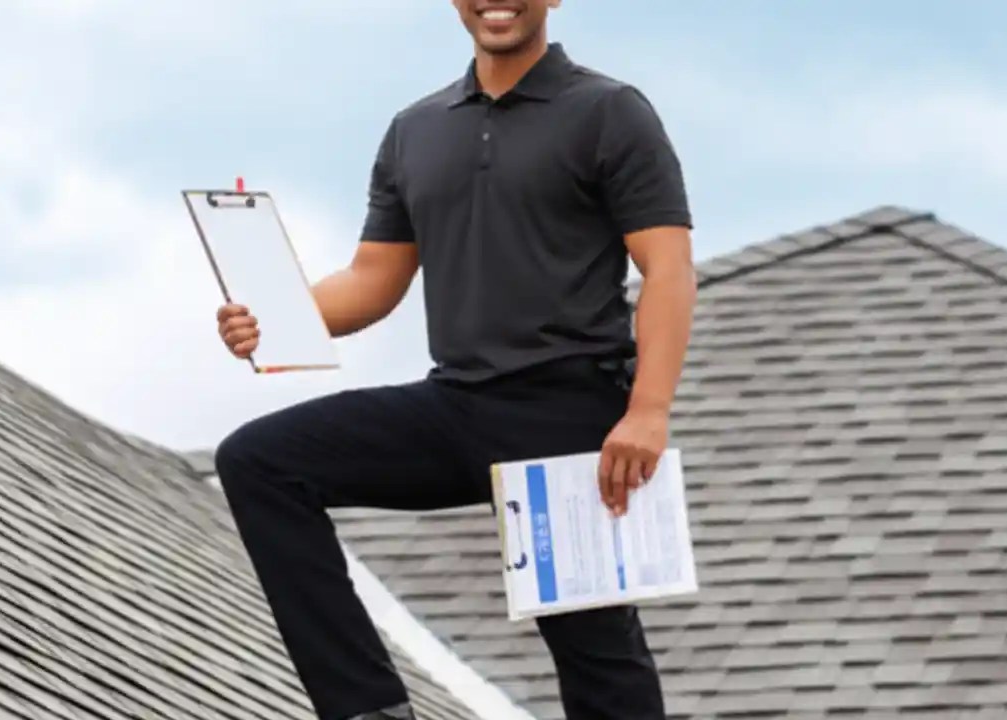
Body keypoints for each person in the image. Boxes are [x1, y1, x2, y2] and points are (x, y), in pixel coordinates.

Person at [212, 1, 695, 718]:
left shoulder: (609, 111)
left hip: (564, 416)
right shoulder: (415, 129)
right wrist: (275, 320)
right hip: (456, 405)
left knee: (596, 654)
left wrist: (648, 411)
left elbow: (668, 268)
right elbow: (373, 279)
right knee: (259, 462)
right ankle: (368, 708)